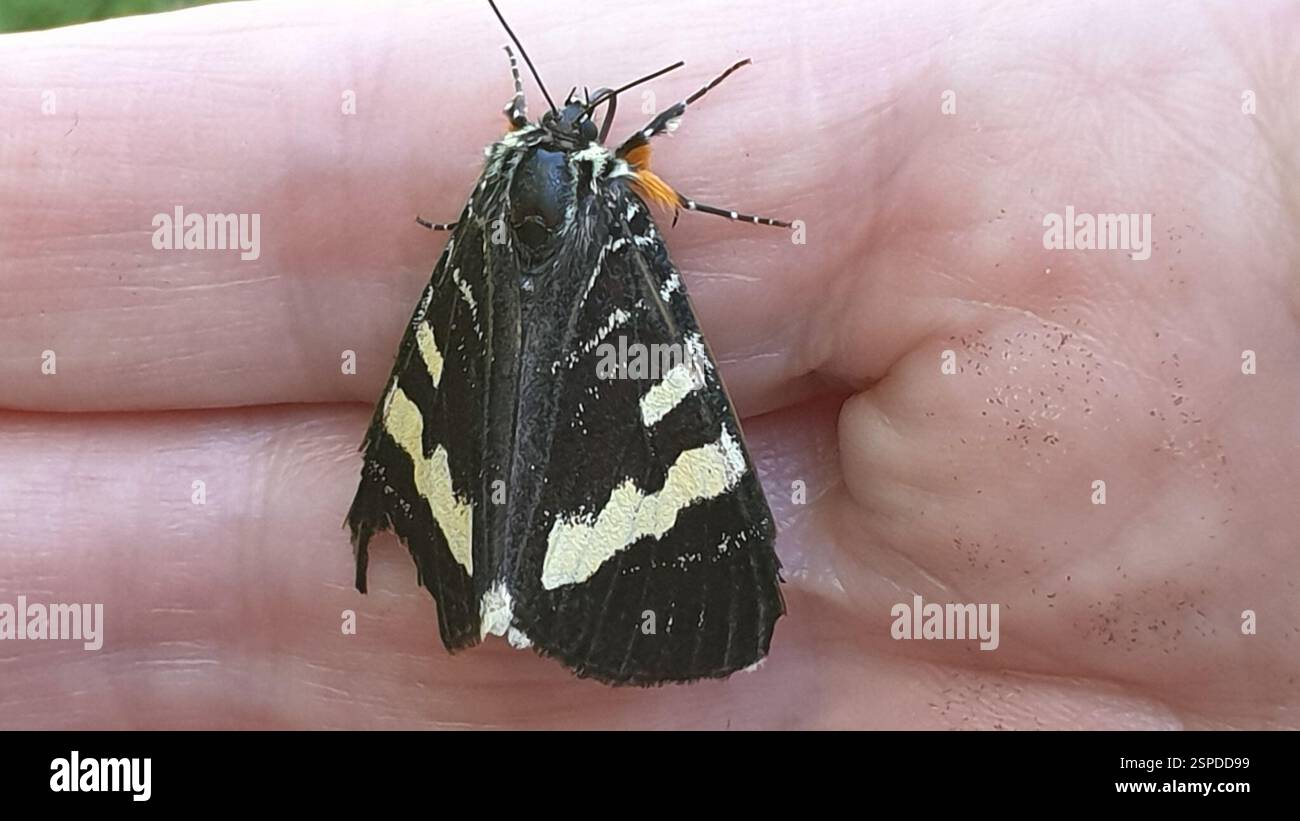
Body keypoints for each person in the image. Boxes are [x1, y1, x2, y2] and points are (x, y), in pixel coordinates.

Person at [0, 0, 1296, 729]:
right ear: (603, 145)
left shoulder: (517, 187)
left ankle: (453, 531)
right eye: (596, 125)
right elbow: (631, 161)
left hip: (476, 317)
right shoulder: (610, 197)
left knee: (444, 391)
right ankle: (500, 549)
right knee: (597, 410)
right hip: (606, 344)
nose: (575, 125)